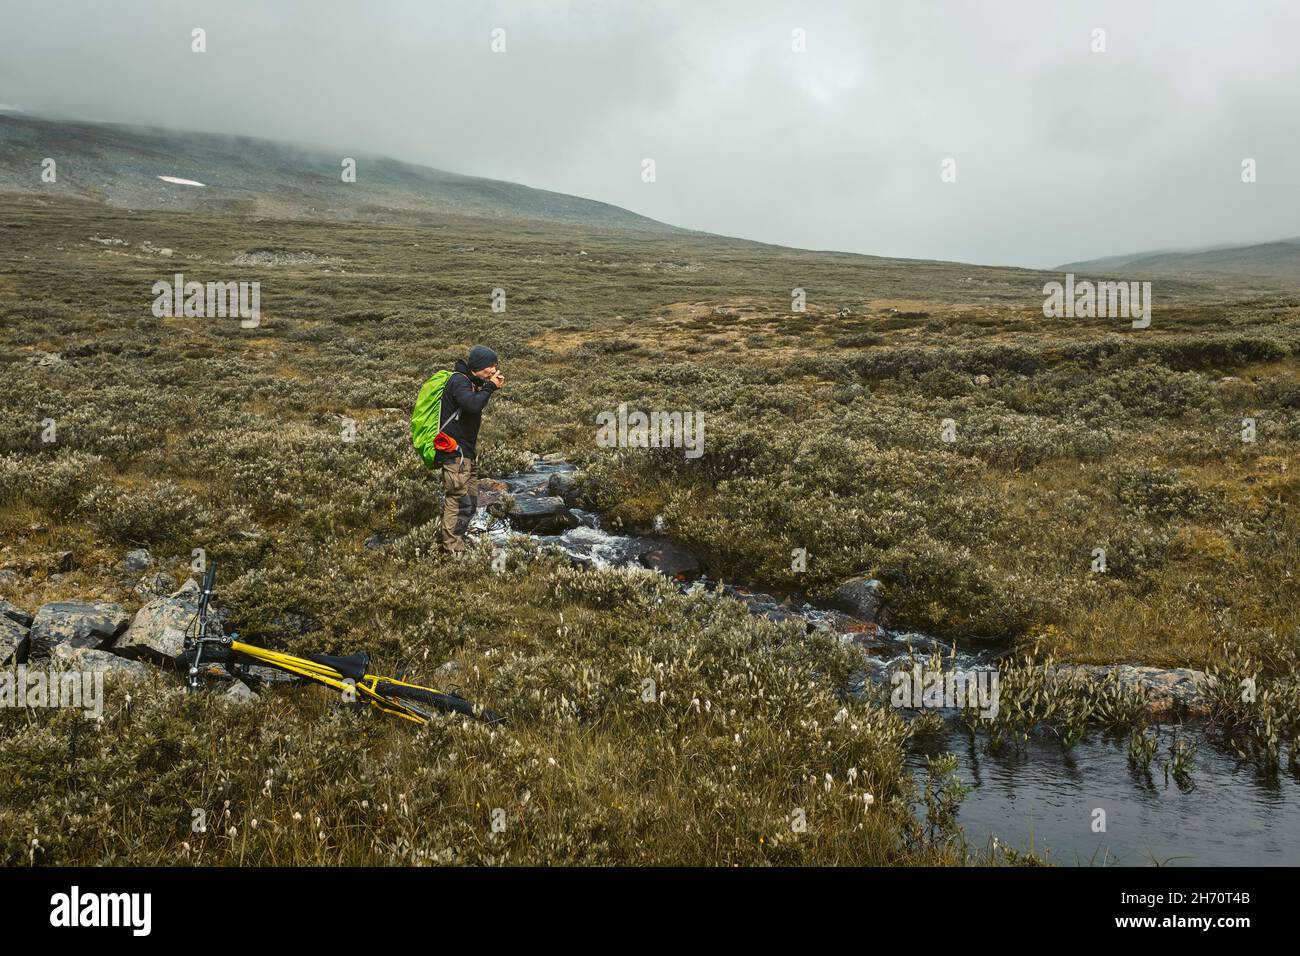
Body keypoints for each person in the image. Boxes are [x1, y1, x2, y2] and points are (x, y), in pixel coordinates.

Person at [436, 345, 504, 554]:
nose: (493, 370)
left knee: (469, 502)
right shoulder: (458, 381)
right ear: (478, 366)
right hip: (455, 454)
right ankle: (451, 550)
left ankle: (457, 543)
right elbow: (473, 405)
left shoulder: (470, 382)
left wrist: (487, 386)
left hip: (466, 455)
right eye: (490, 366)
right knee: (457, 501)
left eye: (495, 366)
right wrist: (489, 387)